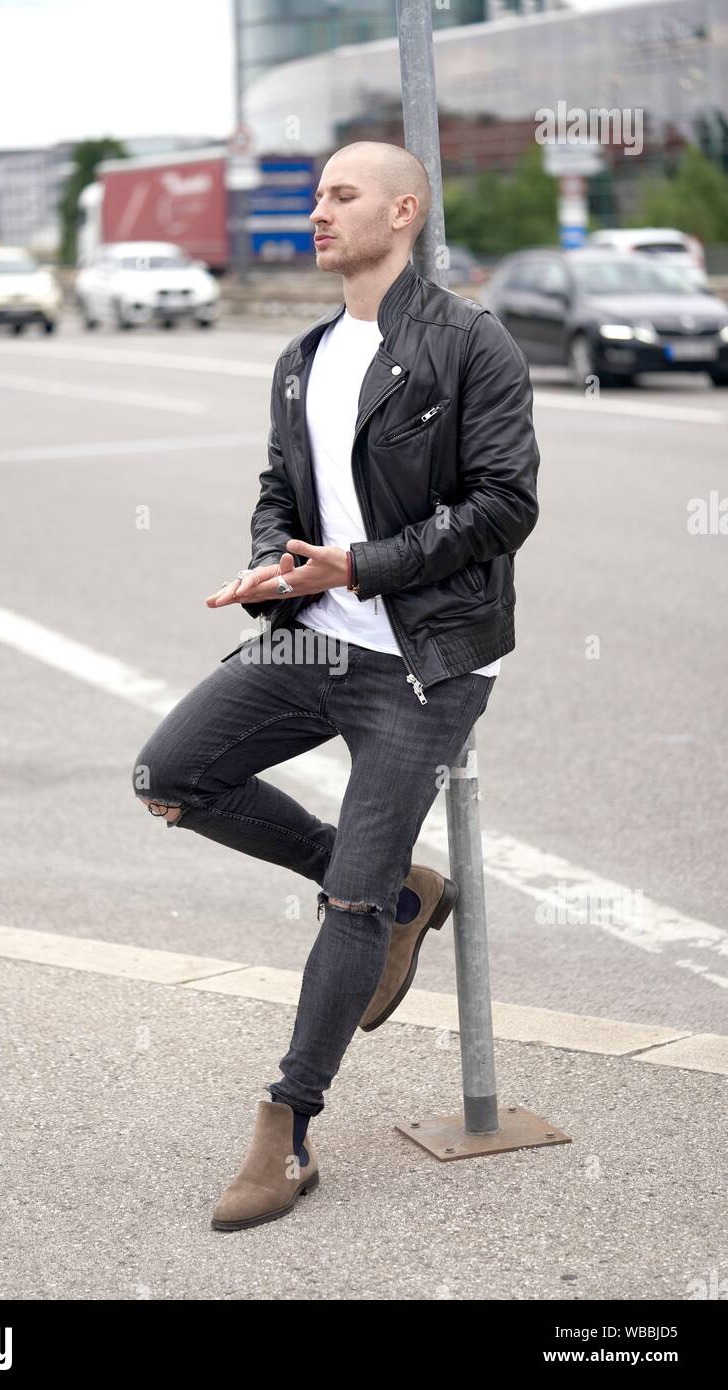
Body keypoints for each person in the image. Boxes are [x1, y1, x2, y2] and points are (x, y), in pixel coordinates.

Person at [132, 141, 539, 1232]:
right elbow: (280, 489)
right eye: (315, 196)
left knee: (346, 902)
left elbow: (504, 506)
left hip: (424, 657)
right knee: (170, 774)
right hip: (314, 635)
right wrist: (278, 560)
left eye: (340, 195)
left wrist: (360, 565)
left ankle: (288, 1121)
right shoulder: (306, 356)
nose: (318, 212)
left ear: (403, 212)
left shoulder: (470, 343)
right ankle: (400, 888)